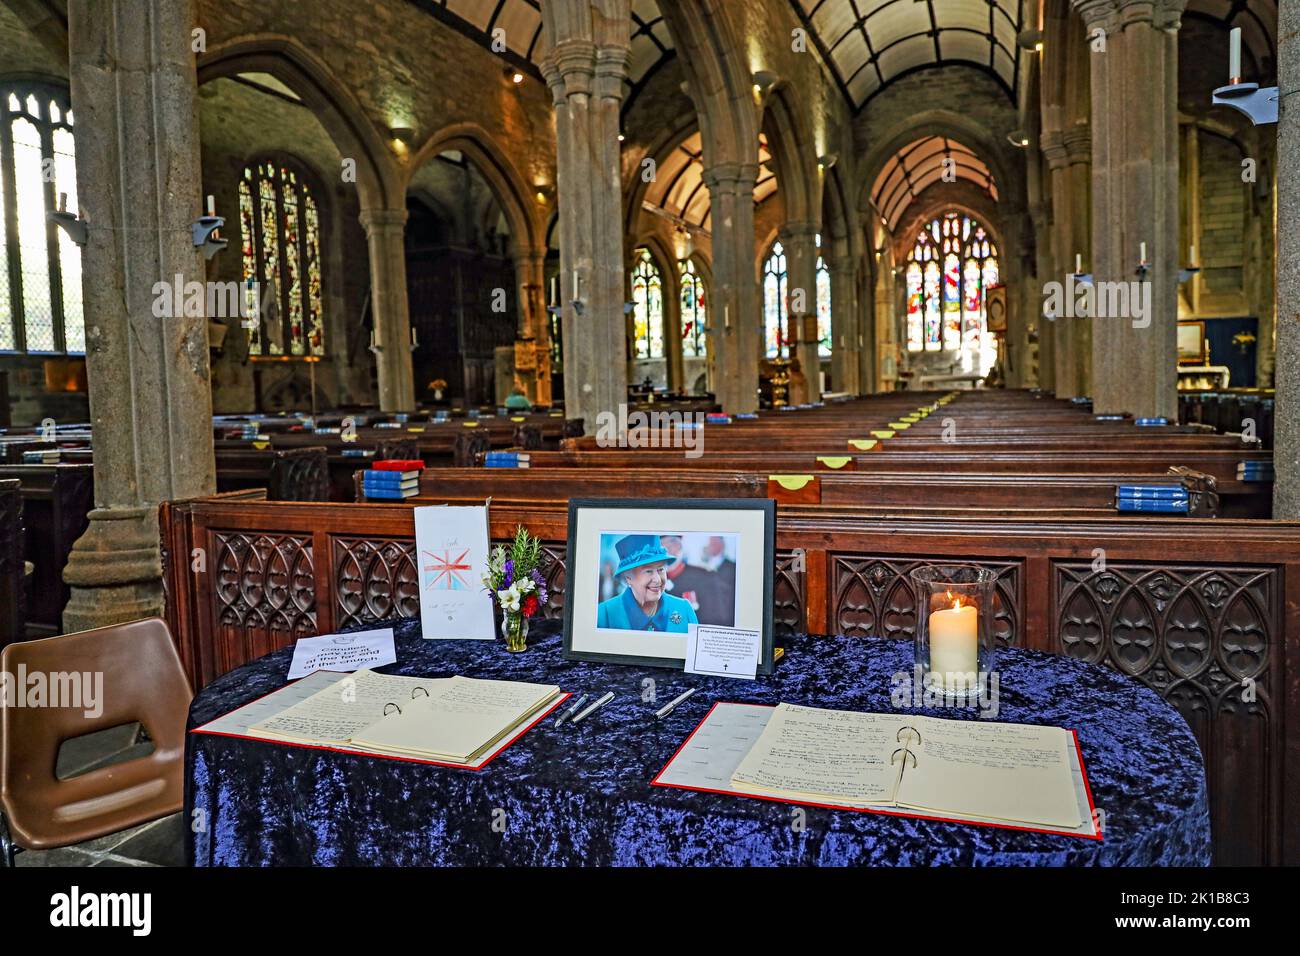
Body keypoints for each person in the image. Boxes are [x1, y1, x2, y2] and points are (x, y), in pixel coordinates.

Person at [597, 534, 698, 632]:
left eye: (661, 570)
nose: (658, 580)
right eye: (648, 571)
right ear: (628, 578)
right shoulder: (604, 614)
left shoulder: (684, 609)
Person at [660, 534, 735, 627]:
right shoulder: (653, 582)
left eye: (673, 544)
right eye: (662, 546)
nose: (668, 550)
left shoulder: (705, 577)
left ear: (680, 546)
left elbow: (718, 621)